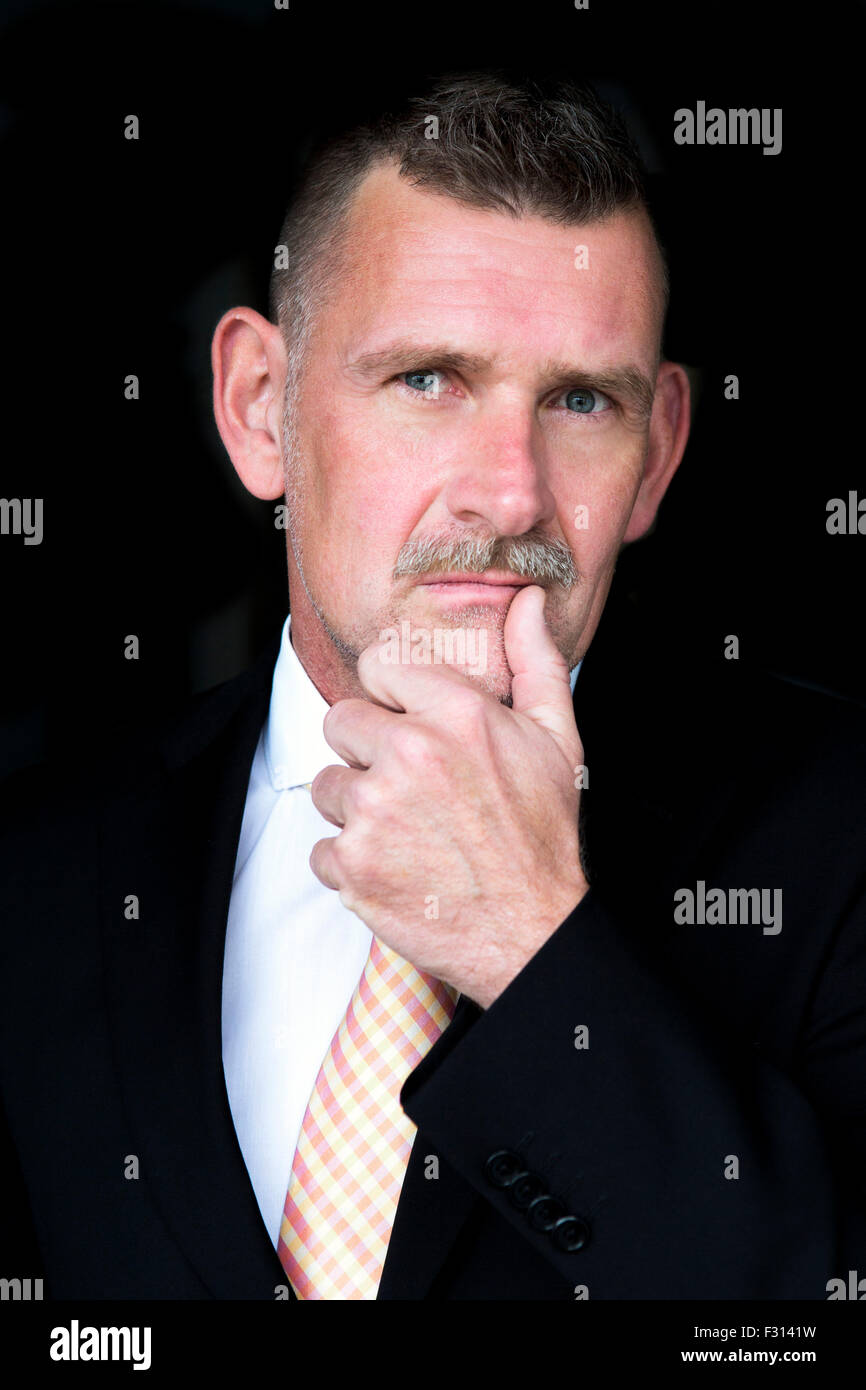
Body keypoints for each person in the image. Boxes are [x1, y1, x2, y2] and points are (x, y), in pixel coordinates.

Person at [1, 73, 863, 1301]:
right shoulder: (38, 875)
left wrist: (530, 942)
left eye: (578, 400)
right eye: (427, 380)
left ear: (657, 452)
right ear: (260, 409)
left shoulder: (837, 835)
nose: (508, 494)